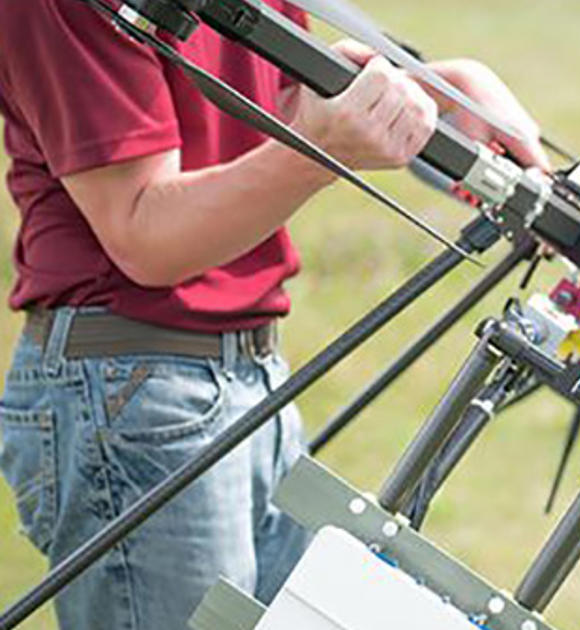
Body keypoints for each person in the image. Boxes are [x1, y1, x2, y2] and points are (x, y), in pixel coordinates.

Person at [0, 1, 550, 628]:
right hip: (132, 387)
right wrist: (318, 150)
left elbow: (274, 105)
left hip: (248, 371)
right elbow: (144, 235)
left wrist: (444, 90)